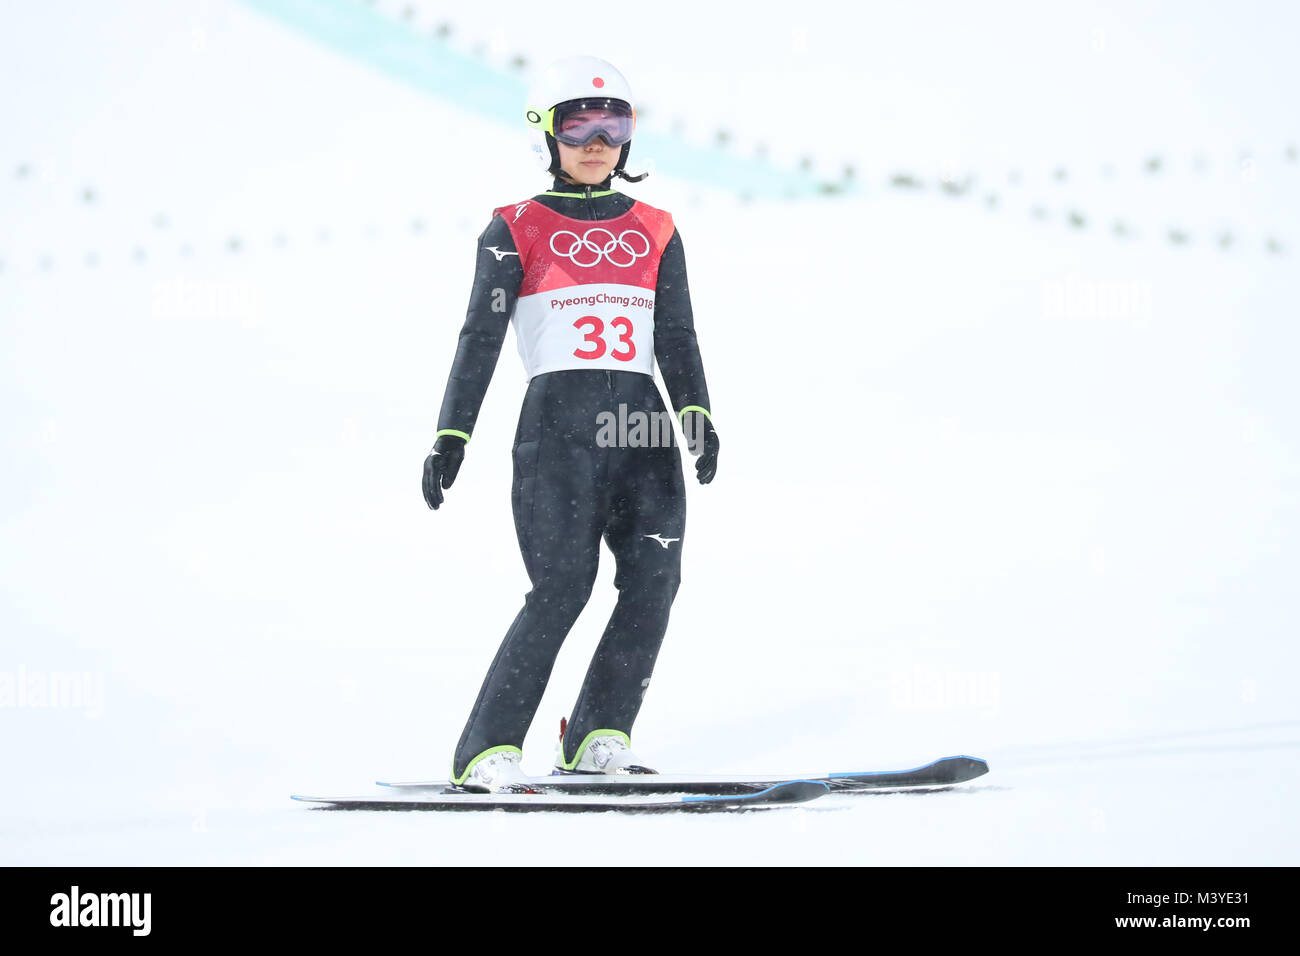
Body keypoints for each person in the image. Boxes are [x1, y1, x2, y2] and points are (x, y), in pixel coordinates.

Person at [422, 55, 719, 793]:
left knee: (655, 578)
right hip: (558, 428)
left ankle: (597, 736)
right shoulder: (513, 227)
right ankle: (484, 750)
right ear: (544, 134)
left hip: (641, 430)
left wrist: (696, 411)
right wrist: (452, 432)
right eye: (577, 121)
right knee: (563, 586)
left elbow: (677, 336)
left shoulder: (656, 227)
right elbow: (479, 339)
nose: (597, 139)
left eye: (614, 123)